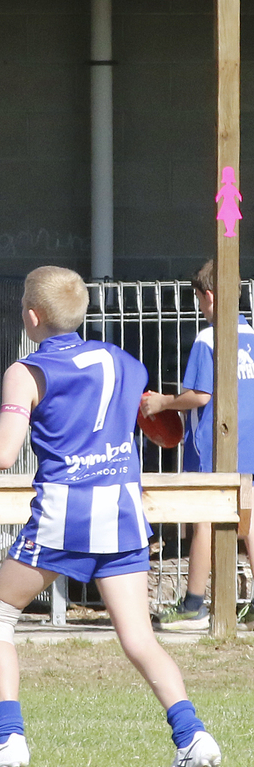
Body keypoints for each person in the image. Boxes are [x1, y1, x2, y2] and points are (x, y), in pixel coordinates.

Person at [0, 265, 220, 767]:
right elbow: (141, 415)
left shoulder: (25, 372)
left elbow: (3, 453)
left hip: (66, 514)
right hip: (122, 512)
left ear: (31, 316)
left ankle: (7, 737)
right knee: (140, 638)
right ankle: (193, 737)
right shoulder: (126, 362)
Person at [141, 259, 254, 631]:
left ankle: (193, 605)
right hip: (247, 444)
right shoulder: (250, 333)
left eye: (199, 301)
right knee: (248, 522)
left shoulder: (209, 338)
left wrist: (163, 403)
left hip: (212, 444)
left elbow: (202, 396)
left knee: (201, 520)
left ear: (208, 296)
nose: (201, 308)